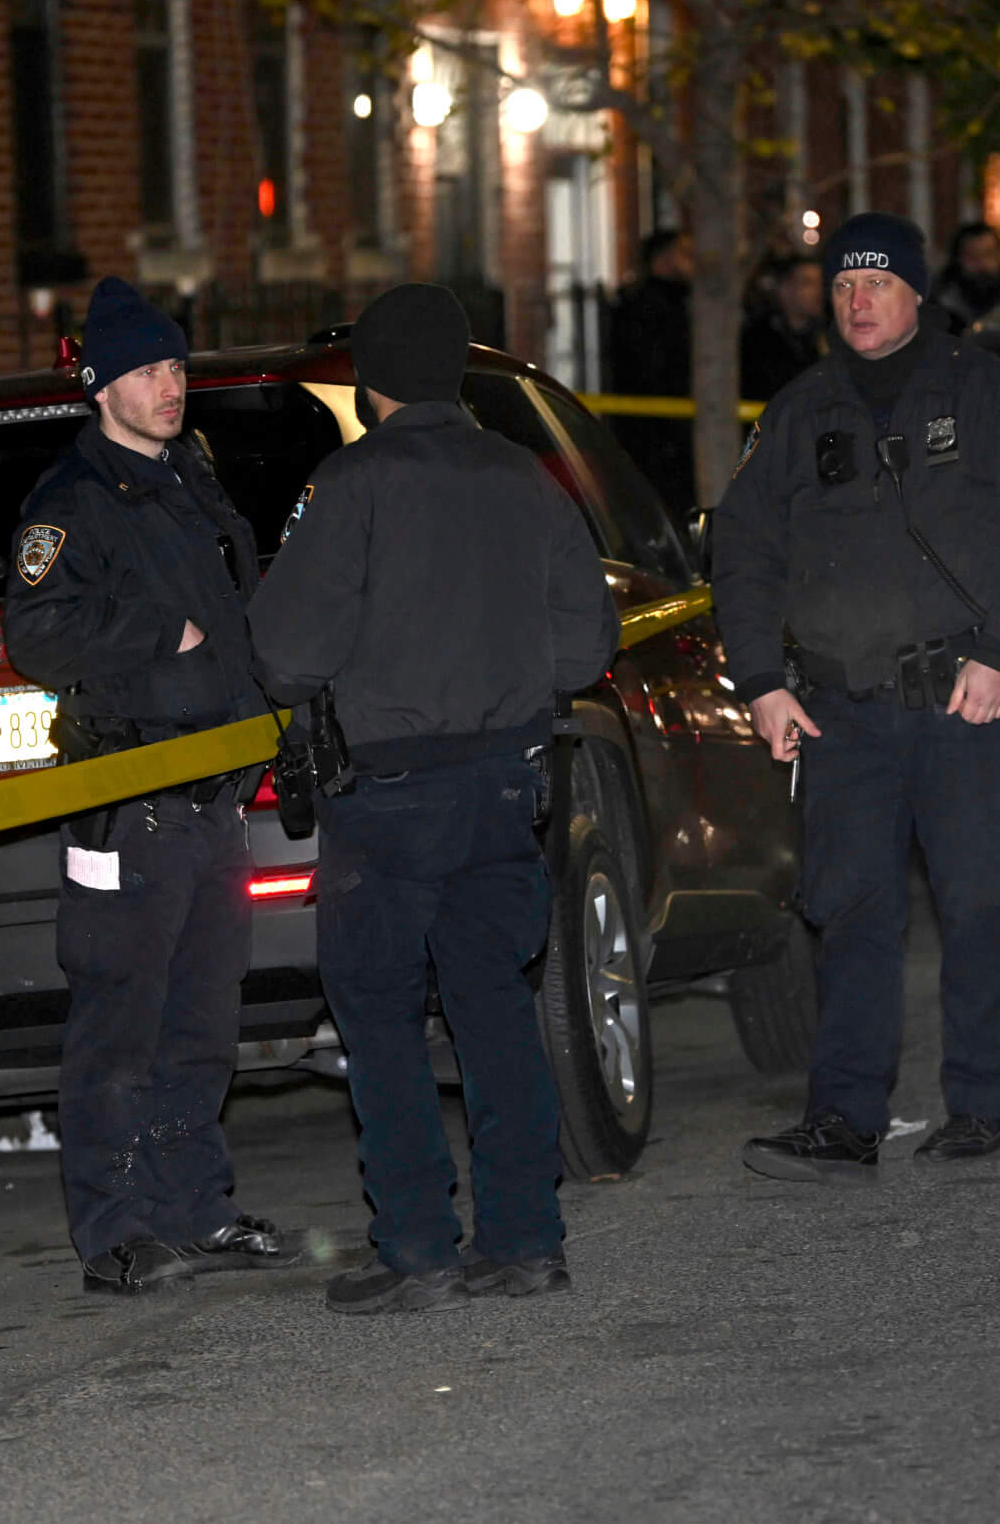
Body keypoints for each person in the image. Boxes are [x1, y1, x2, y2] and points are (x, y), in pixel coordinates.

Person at [249, 282, 619, 1314]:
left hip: (390, 794)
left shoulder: (352, 485)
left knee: (379, 1019)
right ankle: (526, 1239)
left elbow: (285, 654)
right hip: (504, 783)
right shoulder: (525, 478)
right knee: (495, 1009)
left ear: (370, 383)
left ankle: (417, 1246)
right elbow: (586, 645)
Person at [710, 214, 1000, 1180]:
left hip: (960, 695)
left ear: (918, 291)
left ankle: (987, 1107)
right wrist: (761, 681)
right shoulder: (800, 411)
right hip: (841, 708)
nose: (857, 301)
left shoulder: (986, 392)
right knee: (850, 910)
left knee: (977, 899)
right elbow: (743, 550)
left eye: (876, 283)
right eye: (842, 285)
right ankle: (844, 1120)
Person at [3, 276, 300, 1296]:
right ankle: (116, 1230)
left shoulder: (187, 473)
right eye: (146, 370)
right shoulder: (74, 500)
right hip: (128, 809)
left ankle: (194, 1207)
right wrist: (155, 631)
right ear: (101, 386)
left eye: (176, 365)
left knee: (202, 1022)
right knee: (118, 1024)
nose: (170, 385)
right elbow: (36, 632)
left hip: (212, 802)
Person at [605, 228, 697, 514]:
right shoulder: (651, 307)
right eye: (684, 254)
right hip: (657, 432)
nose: (692, 263)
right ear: (664, 258)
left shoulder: (672, 302)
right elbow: (651, 370)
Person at [740, 252, 827, 405]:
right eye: (808, 283)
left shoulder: (826, 337)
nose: (818, 292)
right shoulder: (757, 341)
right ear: (785, 289)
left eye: (820, 284)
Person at [932, 221, 1000, 333]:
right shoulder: (936, 308)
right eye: (972, 256)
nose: (982, 263)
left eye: (989, 254)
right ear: (957, 260)